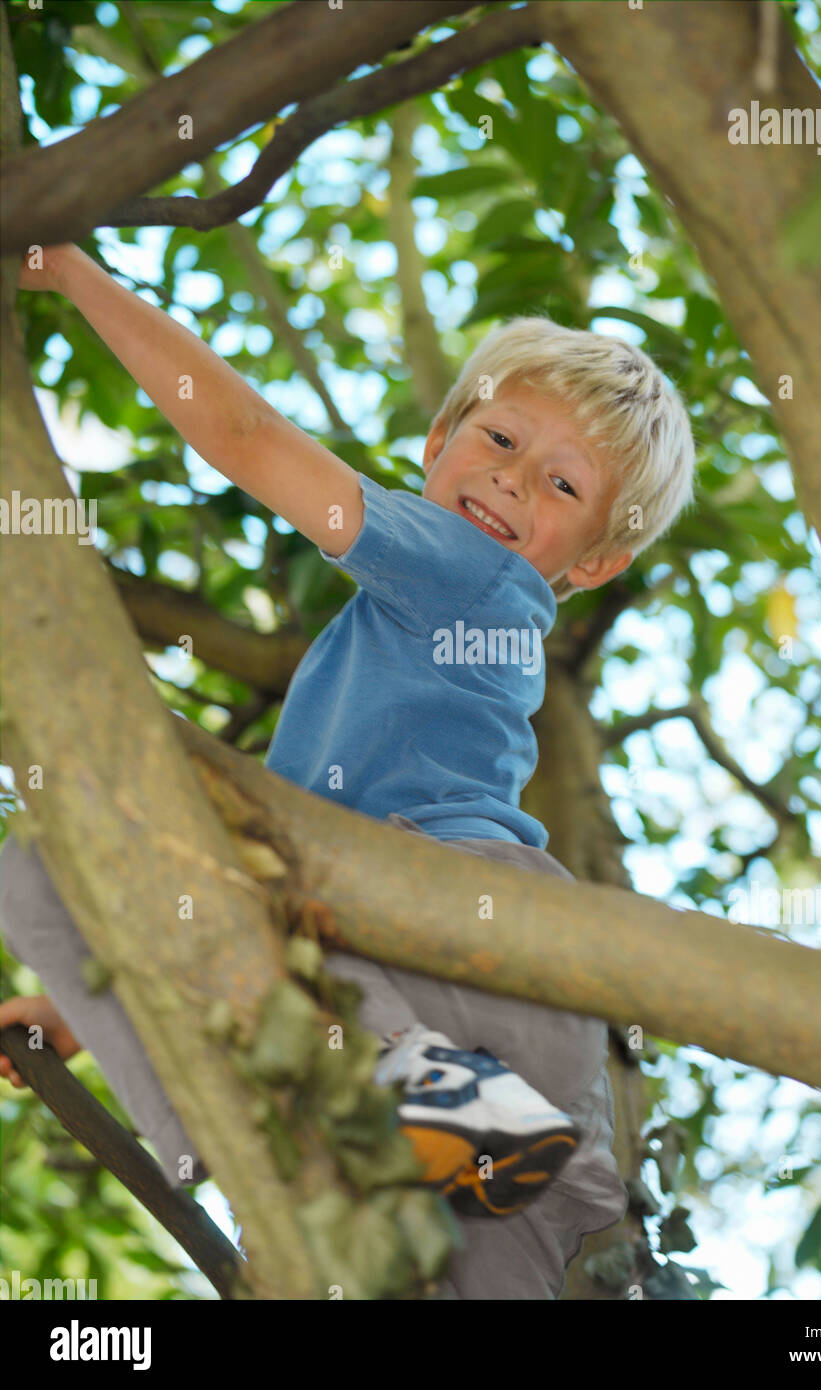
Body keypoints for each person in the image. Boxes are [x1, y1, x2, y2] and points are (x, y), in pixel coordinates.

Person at [1, 244, 695, 1297]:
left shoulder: (470, 578)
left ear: (590, 563)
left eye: (560, 482)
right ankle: (316, 1155)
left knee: (47, 867)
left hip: (445, 940)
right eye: (500, 438)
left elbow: (245, 438)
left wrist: (75, 273)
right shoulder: (404, 633)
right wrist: (78, 1012)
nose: (511, 476)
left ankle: (276, 1136)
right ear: (439, 441)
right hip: (474, 1026)